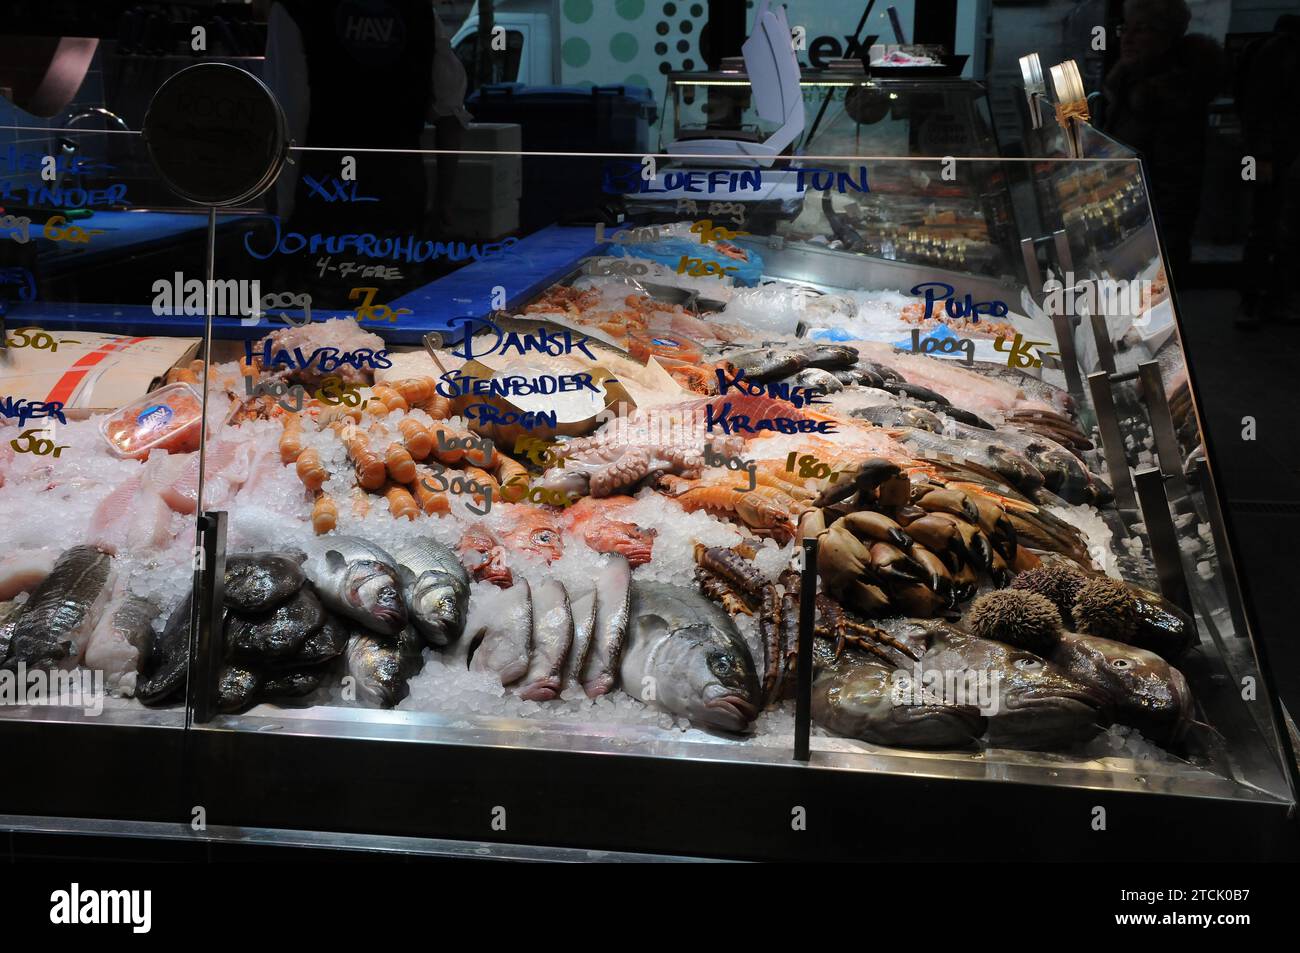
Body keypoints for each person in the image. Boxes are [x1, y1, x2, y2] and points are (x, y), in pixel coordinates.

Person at [1100, 0, 1222, 283]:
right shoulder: (1129, 85)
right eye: (1125, 29)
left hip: (1148, 238)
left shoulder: (1174, 97)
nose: (1127, 39)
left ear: (1167, 37)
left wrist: (1156, 252)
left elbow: (1175, 186)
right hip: (1125, 229)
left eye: (1141, 30)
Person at [1234, 15, 1300, 328]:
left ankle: (1257, 299)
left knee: (1265, 225)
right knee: (1271, 226)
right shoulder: (1278, 52)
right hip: (1277, 154)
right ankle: (1266, 298)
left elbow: (1255, 108)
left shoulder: (1270, 51)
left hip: (1270, 155)